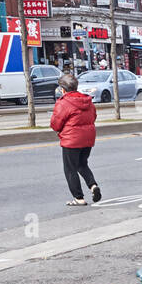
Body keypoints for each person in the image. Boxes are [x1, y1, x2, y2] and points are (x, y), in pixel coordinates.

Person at [50, 72, 100, 206]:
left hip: (71, 140)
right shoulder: (87, 100)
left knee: (70, 168)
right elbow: (93, 116)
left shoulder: (63, 102)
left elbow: (55, 124)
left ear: (63, 89)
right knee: (82, 164)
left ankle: (78, 197)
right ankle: (93, 185)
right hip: (88, 138)